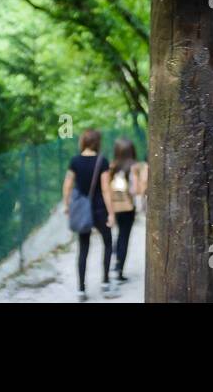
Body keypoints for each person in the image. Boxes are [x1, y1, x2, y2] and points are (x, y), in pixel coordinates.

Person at [62, 128, 116, 300]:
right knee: (107, 243)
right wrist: (111, 213)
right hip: (100, 210)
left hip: (82, 211)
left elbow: (67, 184)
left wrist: (67, 205)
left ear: (83, 141)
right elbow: (106, 189)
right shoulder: (102, 161)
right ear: (97, 142)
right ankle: (106, 283)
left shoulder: (75, 161)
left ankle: (81, 290)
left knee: (83, 248)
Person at [108, 137, 147, 282]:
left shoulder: (112, 166)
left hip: (114, 206)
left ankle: (115, 259)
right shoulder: (134, 167)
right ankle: (119, 270)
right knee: (124, 236)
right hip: (128, 207)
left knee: (119, 234)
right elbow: (136, 189)